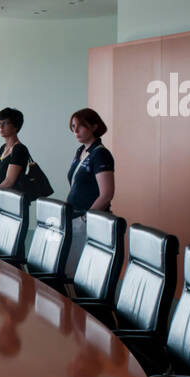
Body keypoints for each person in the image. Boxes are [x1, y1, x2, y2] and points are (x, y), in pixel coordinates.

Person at [64, 107, 116, 278]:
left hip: (88, 221)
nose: (76, 131)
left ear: (94, 126)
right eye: (73, 127)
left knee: (80, 274)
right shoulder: (81, 152)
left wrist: (86, 218)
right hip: (74, 218)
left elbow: (106, 194)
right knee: (68, 268)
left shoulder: (100, 154)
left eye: (81, 126)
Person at [0, 107, 30, 219]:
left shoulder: (19, 149)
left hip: (11, 202)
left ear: (15, 126)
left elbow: (10, 180)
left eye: (4, 123)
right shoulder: (3, 148)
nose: (0, 127)